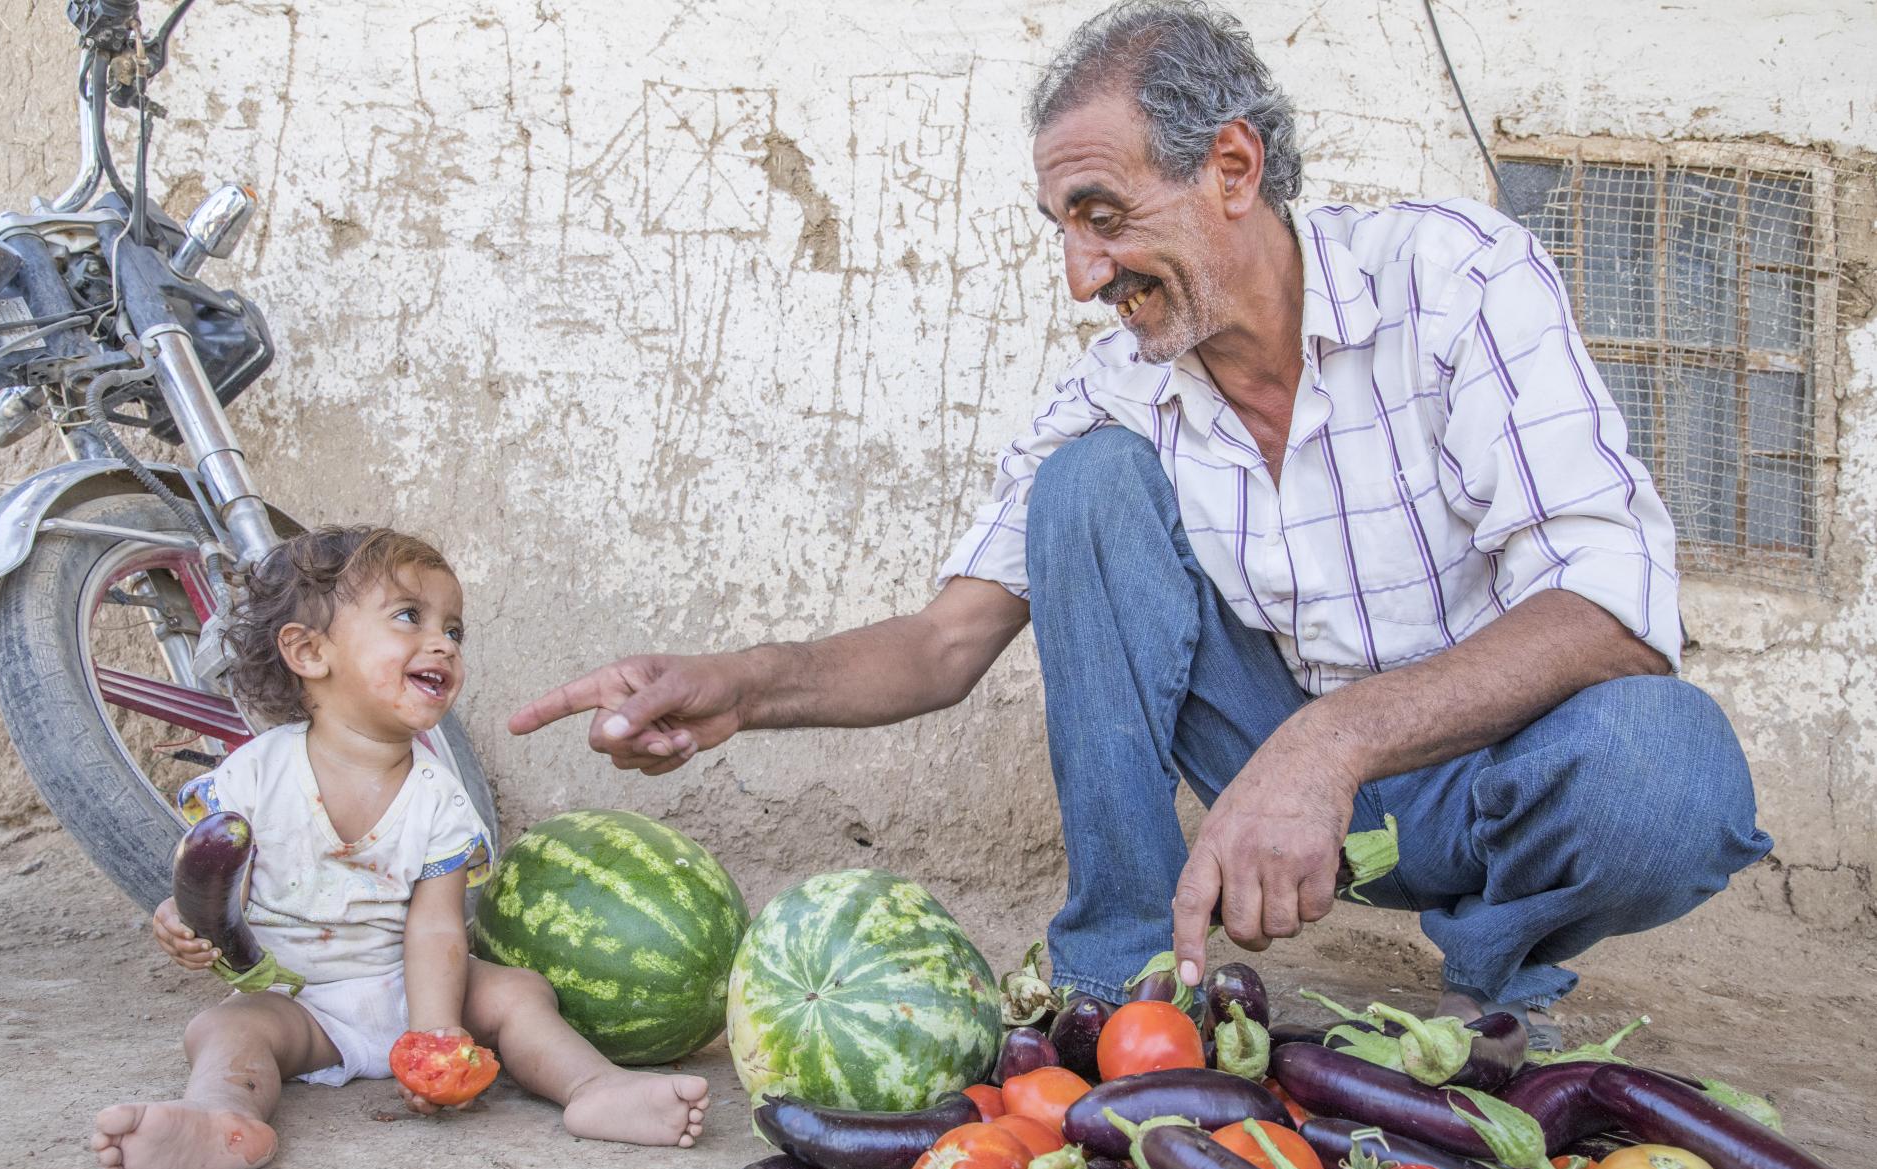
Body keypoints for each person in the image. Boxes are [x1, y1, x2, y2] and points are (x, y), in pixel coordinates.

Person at [508, 1, 1771, 1041]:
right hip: (1282, 775)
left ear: (1232, 168)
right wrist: (737, 686)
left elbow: (1612, 600)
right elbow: (947, 643)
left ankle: (1498, 978)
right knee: (1088, 487)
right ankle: (1119, 983)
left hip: (1498, 769)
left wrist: (1330, 744)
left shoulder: (1456, 278)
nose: (1082, 272)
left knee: (1670, 771)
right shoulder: (1115, 393)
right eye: (1064, 228)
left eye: (1104, 216)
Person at [91, 527, 709, 1169]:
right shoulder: (252, 779)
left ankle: (596, 1087)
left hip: (413, 986)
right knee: (222, 1028)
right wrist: (179, 920)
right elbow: (212, 885)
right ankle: (222, 1119)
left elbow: (439, 928)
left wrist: (437, 1036)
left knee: (518, 993)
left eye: (454, 628)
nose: (442, 642)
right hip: (303, 1006)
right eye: (410, 617)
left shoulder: (441, 800)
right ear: (309, 651)